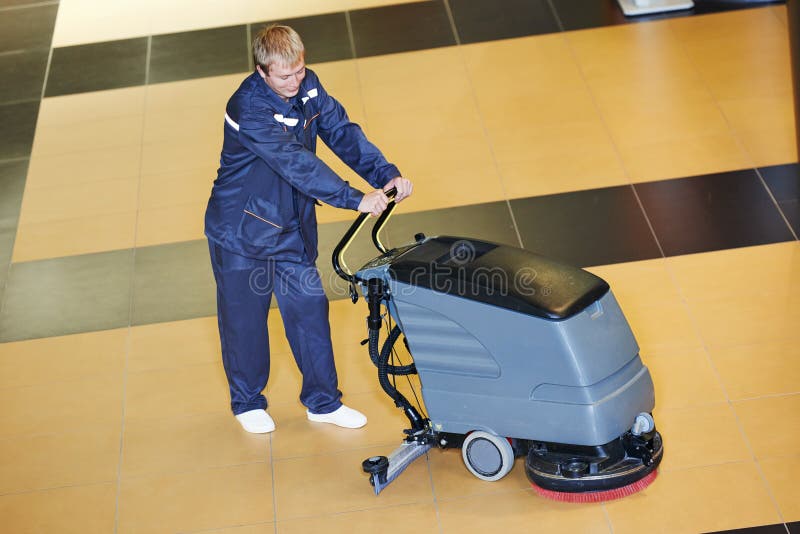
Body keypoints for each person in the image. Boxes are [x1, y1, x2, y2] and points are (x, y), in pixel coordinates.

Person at [204, 24, 412, 433]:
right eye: (285, 76)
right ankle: (247, 402)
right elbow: (295, 163)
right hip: (242, 234)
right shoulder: (249, 108)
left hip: (290, 228)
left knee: (310, 313)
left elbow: (341, 132)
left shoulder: (308, 87)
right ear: (262, 71)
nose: (295, 81)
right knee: (245, 322)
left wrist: (384, 174)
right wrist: (354, 198)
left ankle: (323, 402)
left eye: (300, 70)